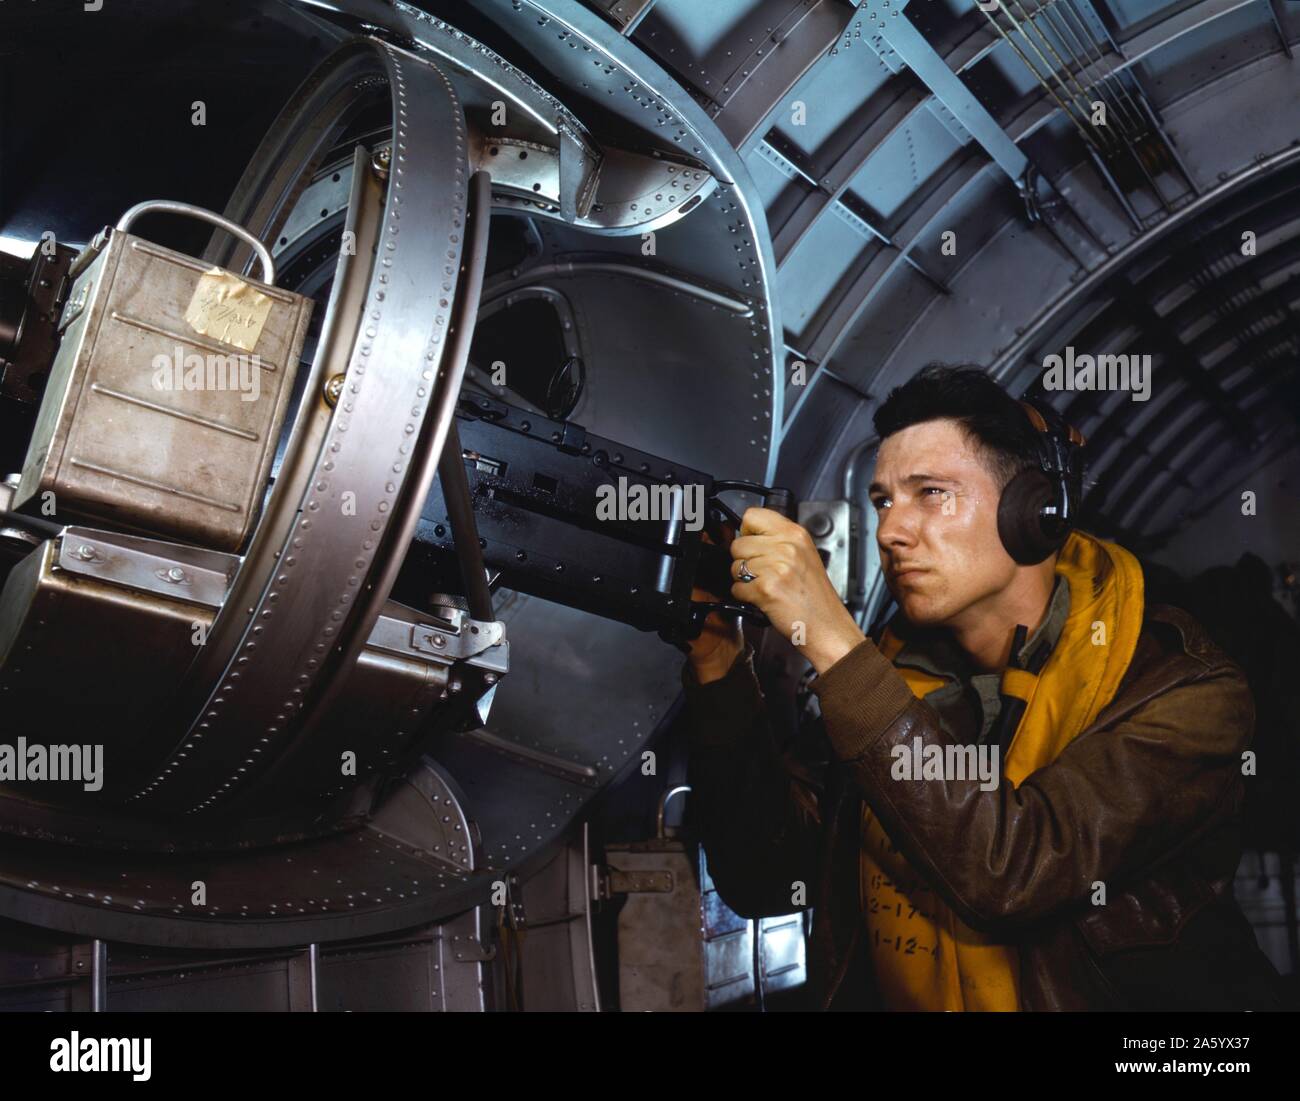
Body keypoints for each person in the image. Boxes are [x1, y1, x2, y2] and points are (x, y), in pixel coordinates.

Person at [680, 365, 1285, 1010]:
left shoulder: (1184, 692)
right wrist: (720, 660)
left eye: (932, 492)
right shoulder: (888, 680)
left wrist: (833, 641)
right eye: (883, 500)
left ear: (1035, 510)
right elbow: (764, 874)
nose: (890, 530)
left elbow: (1013, 873)